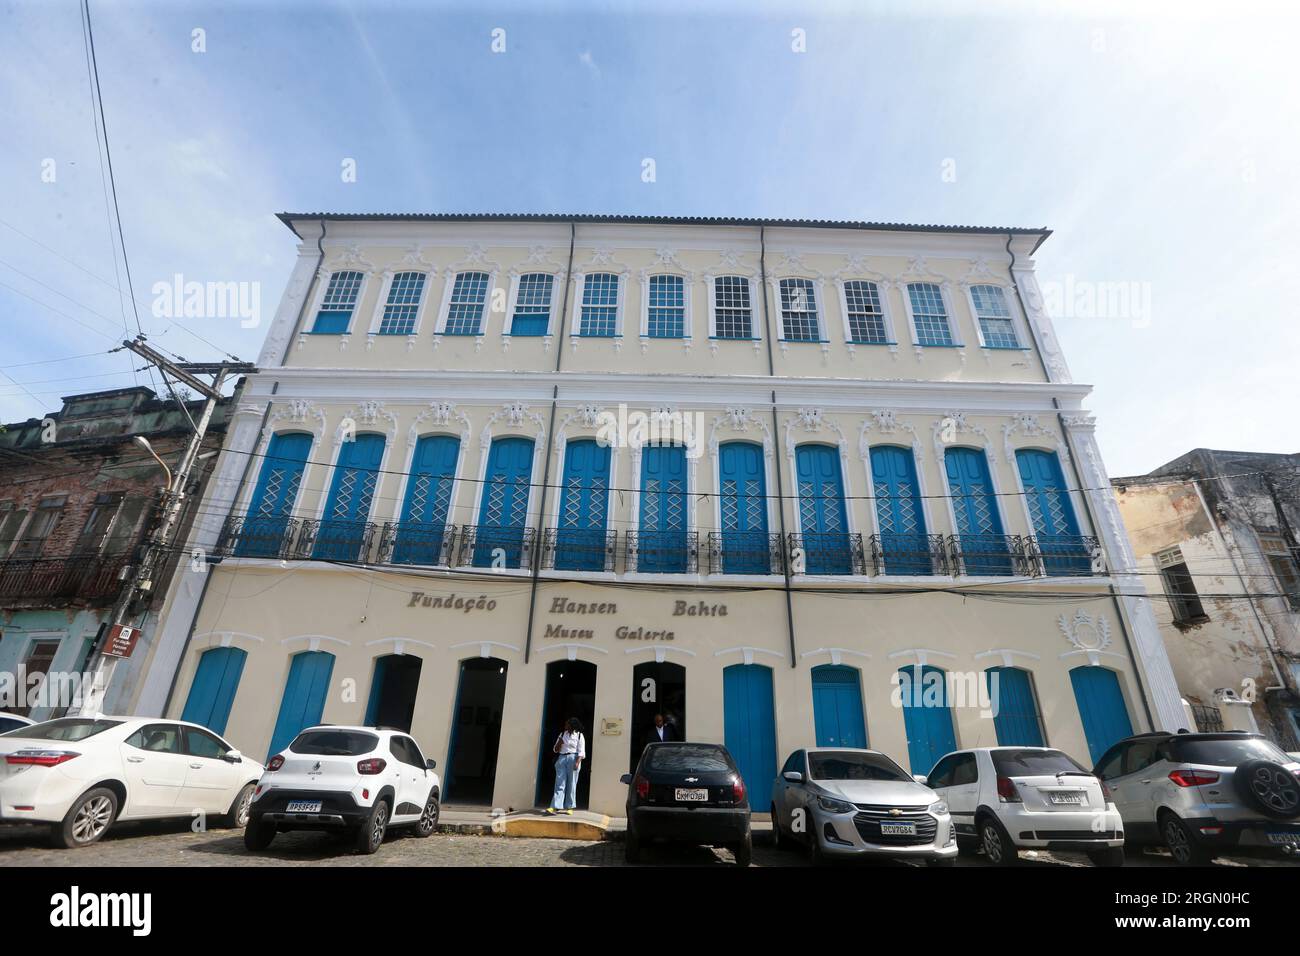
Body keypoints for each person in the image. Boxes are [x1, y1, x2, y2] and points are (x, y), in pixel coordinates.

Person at [545, 717, 586, 815]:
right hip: (562, 759)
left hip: (574, 758)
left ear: (572, 726)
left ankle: (570, 807)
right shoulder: (562, 734)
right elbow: (555, 750)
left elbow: (582, 751)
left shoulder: (579, 736)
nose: (565, 726)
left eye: (567, 724)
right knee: (559, 783)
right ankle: (555, 806)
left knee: (572, 784)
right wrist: (559, 742)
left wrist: (577, 762)